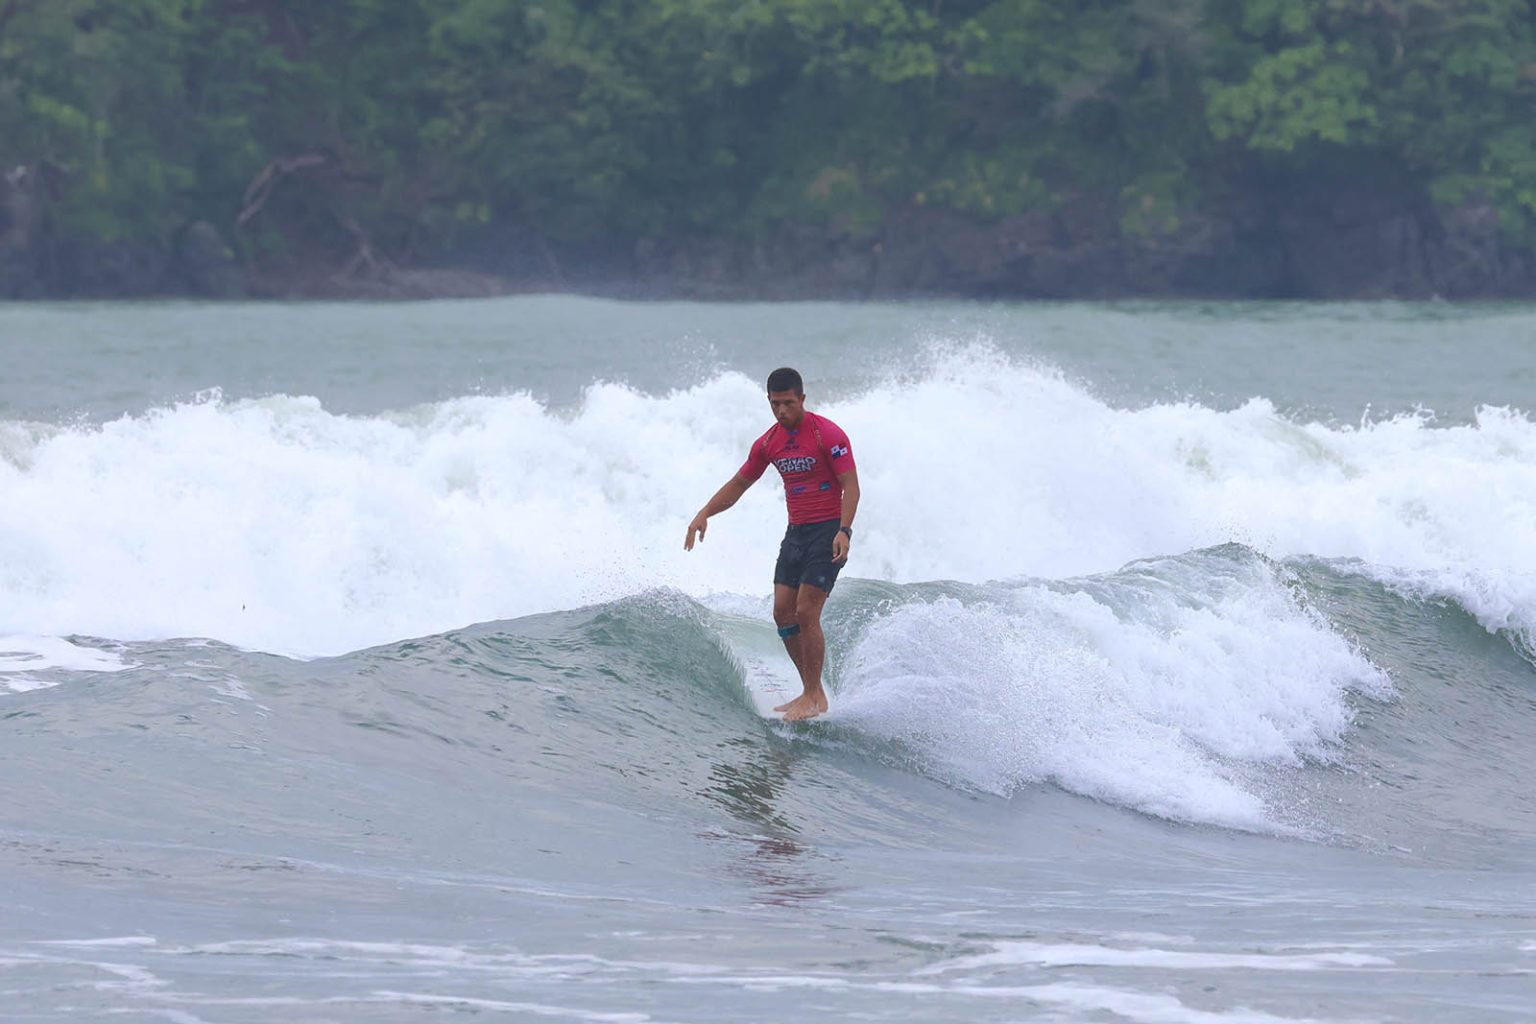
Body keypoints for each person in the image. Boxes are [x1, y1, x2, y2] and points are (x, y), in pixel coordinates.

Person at [684, 367, 859, 721]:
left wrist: (845, 530)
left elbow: (851, 486)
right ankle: (812, 691)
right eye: (775, 404)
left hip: (828, 531)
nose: (782, 411)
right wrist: (705, 512)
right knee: (782, 612)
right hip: (795, 533)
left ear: (803, 400)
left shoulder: (828, 434)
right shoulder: (769, 442)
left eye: (789, 403)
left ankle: (812, 696)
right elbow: (738, 484)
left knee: (807, 612)